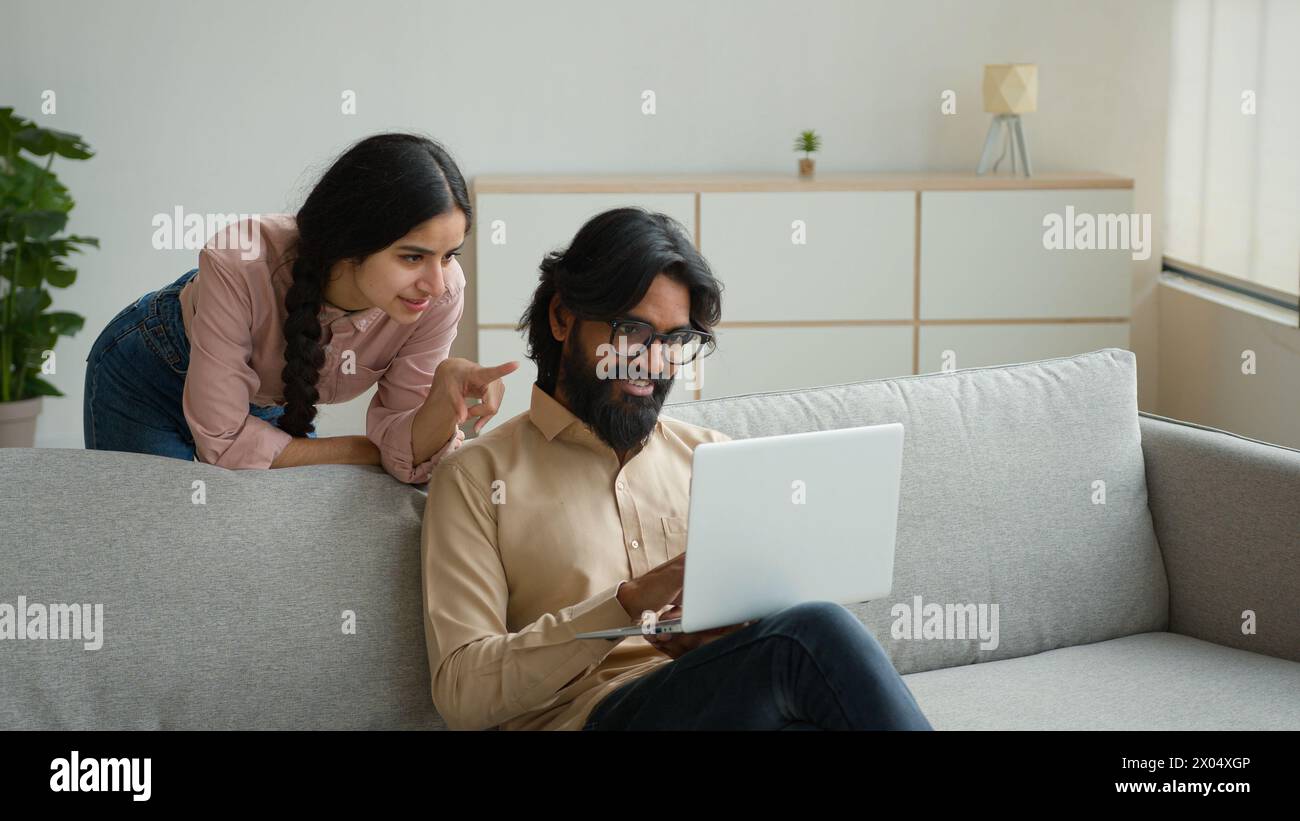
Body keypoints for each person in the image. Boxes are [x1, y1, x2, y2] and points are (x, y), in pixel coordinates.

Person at [420, 207, 934, 730]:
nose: (653, 362)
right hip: (591, 717)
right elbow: (463, 693)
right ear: (561, 317)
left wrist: (731, 635)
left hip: (729, 705)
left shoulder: (714, 458)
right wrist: (627, 604)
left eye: (674, 340)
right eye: (633, 330)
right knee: (815, 633)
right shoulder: (476, 478)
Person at [83, 132, 516, 484]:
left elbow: (406, 462)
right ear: (351, 243)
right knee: (158, 544)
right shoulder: (238, 261)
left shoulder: (439, 293)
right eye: (411, 257)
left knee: (277, 550)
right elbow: (225, 442)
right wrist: (362, 449)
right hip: (152, 372)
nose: (435, 282)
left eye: (448, 255)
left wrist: (444, 393)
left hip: (275, 396)